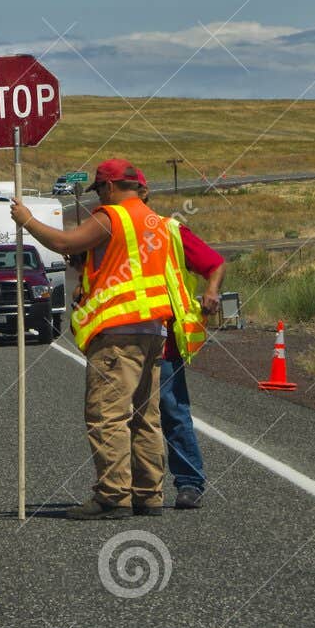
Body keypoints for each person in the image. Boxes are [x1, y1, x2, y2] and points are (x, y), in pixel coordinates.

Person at [11, 158, 206, 520]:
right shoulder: (161, 224)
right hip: (154, 331)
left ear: (111, 187)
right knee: (145, 417)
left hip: (118, 333)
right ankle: (148, 494)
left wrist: (27, 221)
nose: (98, 197)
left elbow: (61, 240)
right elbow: (126, 264)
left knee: (107, 416)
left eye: (100, 189)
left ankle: (113, 496)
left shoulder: (111, 217)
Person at [140, 185, 225, 510]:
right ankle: (135, 487)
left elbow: (214, 263)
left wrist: (212, 292)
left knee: (171, 410)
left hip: (163, 339)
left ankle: (189, 482)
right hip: (121, 341)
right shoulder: (107, 230)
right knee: (128, 417)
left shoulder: (170, 230)